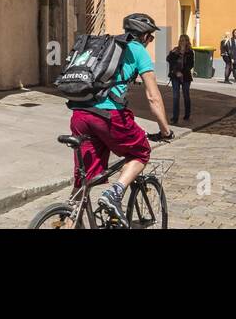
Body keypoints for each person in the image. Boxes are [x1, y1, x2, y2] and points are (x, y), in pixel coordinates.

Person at [68, 13, 173, 223]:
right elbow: (153, 97)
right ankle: (114, 193)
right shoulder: (138, 50)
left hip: (80, 115)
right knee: (141, 151)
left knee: (84, 181)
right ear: (143, 36)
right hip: (109, 116)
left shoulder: (106, 45)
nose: (150, 41)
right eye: (150, 37)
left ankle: (69, 218)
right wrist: (165, 129)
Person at [166, 34, 194, 124]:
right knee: (175, 97)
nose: (182, 42)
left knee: (186, 95)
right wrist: (172, 53)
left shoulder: (190, 52)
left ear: (187, 42)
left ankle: (187, 114)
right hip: (175, 76)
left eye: (184, 40)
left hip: (186, 77)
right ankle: (175, 117)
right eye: (181, 40)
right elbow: (169, 59)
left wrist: (182, 72)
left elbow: (191, 64)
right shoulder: (175, 50)